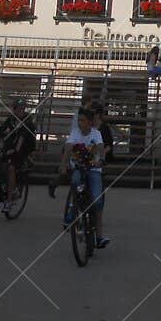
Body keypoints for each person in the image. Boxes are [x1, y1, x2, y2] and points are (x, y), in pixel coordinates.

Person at [57, 105, 108, 249]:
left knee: (97, 201)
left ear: (90, 122)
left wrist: (101, 159)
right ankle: (71, 210)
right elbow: (68, 148)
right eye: (79, 120)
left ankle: (99, 236)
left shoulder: (96, 134)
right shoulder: (75, 133)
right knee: (75, 181)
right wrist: (64, 164)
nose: (80, 123)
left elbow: (100, 147)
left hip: (93, 169)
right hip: (79, 167)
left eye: (83, 120)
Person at [0, 99, 36, 217]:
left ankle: (9, 200)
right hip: (10, 146)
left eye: (23, 108)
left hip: (24, 149)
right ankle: (3, 188)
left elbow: (22, 136)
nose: (21, 111)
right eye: (18, 109)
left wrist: (15, 149)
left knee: (11, 168)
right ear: (14, 109)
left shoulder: (28, 121)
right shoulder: (11, 119)